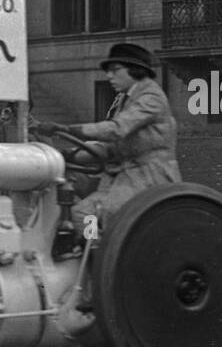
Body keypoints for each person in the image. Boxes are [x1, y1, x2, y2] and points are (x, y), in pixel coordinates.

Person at [32, 43, 181, 241]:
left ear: (135, 69)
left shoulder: (151, 97)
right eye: (108, 71)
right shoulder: (126, 99)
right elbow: (111, 149)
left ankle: (109, 258)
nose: (109, 76)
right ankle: (92, 249)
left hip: (151, 178)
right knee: (81, 213)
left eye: (115, 70)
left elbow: (116, 130)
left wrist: (65, 128)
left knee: (109, 214)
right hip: (126, 177)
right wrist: (66, 155)